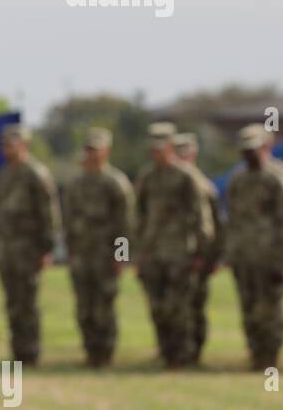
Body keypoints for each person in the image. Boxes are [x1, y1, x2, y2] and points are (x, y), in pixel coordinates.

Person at [134, 122, 213, 368]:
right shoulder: (147, 177)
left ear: (170, 146)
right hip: (152, 253)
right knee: (158, 307)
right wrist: (137, 252)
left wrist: (202, 252)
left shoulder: (186, 177)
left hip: (181, 253)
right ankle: (166, 352)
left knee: (179, 307)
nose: (156, 153)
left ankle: (183, 356)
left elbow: (201, 218)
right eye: (153, 148)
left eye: (161, 147)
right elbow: (139, 216)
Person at [225, 124, 283, 371]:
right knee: (248, 306)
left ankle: (270, 357)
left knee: (269, 307)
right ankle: (255, 354)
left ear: (266, 147)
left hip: (271, 256)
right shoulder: (238, 179)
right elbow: (233, 217)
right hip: (243, 255)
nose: (248, 155)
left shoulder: (279, 176)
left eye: (253, 150)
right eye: (244, 151)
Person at [61, 127, 134, 367]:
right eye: (89, 149)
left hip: (105, 255)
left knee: (104, 305)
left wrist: (120, 256)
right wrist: (69, 251)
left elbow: (125, 223)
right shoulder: (75, 183)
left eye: (96, 149)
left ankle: (105, 353)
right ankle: (90, 351)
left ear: (106, 151)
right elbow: (68, 219)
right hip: (82, 254)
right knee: (84, 306)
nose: (92, 154)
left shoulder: (116, 182)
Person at [0, 123, 60, 365]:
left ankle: (30, 352)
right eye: (4, 145)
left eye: (11, 144)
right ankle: (17, 352)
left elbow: (48, 213)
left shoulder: (36, 173)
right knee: (12, 301)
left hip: (29, 249)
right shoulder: (3, 174)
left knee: (27, 302)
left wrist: (47, 248)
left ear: (23, 145)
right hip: (8, 248)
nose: (6, 149)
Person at [173, 132, 223, 362]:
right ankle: (176, 350)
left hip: (198, 256)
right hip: (174, 255)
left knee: (195, 305)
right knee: (174, 306)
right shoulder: (168, 182)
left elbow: (216, 226)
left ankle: (194, 352)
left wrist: (210, 257)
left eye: (185, 153)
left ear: (194, 154)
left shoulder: (204, 186)